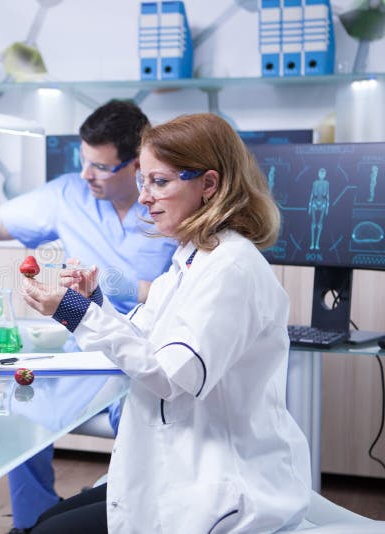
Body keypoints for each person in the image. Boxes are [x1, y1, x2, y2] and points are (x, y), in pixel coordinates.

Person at [22, 113, 312, 533]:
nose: (144, 198)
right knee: (47, 520)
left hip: (216, 483)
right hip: (174, 463)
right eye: (144, 181)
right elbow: (144, 337)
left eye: (159, 182)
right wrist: (93, 304)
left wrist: (74, 312)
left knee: (48, 531)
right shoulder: (191, 257)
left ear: (208, 184)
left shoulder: (232, 269)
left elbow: (172, 376)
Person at [0, 100, 177, 532]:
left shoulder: (168, 207)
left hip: (144, 351)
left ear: (136, 164)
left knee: (137, 421)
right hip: (83, 346)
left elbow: (191, 289)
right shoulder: (68, 195)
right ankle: (32, 521)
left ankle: (125, 517)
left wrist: (135, 288)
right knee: (20, 404)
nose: (86, 175)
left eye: (100, 166)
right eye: (84, 161)